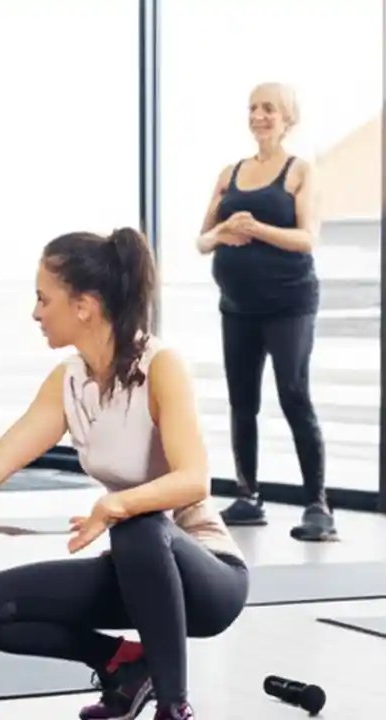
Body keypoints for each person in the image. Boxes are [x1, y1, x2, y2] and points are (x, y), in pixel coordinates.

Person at [0, 228, 250, 720]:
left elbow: (194, 480)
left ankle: (173, 706)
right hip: (135, 570)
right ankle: (124, 666)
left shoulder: (159, 366)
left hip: (207, 574)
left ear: (84, 306)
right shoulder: (69, 382)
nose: (35, 313)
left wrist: (116, 503)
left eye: (43, 299)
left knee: (137, 525)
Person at [194, 82, 335, 541]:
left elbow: (307, 238)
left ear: (287, 117)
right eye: (253, 107)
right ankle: (248, 496)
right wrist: (222, 233)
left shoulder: (300, 171)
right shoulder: (230, 173)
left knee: (294, 394)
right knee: (242, 401)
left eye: (268, 108)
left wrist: (256, 228)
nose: (258, 115)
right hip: (237, 306)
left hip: (289, 303)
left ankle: (318, 505)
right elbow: (203, 239)